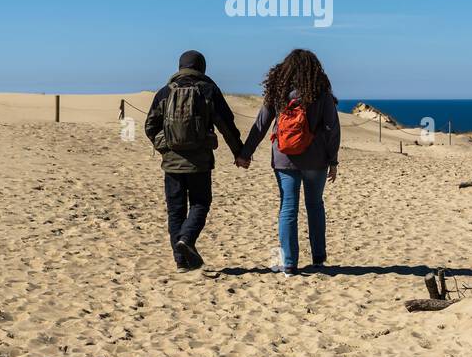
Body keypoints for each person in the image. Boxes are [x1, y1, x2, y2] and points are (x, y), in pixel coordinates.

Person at [239, 49, 340, 277]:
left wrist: (245, 153)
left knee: (288, 208)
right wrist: (333, 160)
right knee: (315, 205)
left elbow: (260, 125)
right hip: (316, 160)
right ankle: (318, 258)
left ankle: (289, 264)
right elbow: (333, 128)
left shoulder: (277, 92)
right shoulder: (320, 93)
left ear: (284, 69)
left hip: (284, 159)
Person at [144, 50, 247, 271]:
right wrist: (239, 153)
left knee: (176, 210)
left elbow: (150, 126)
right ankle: (187, 240)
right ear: (202, 68)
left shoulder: (164, 92)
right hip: (199, 162)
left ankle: (181, 262)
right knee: (200, 204)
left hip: (171, 163)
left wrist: (165, 146)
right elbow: (226, 125)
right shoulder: (208, 90)